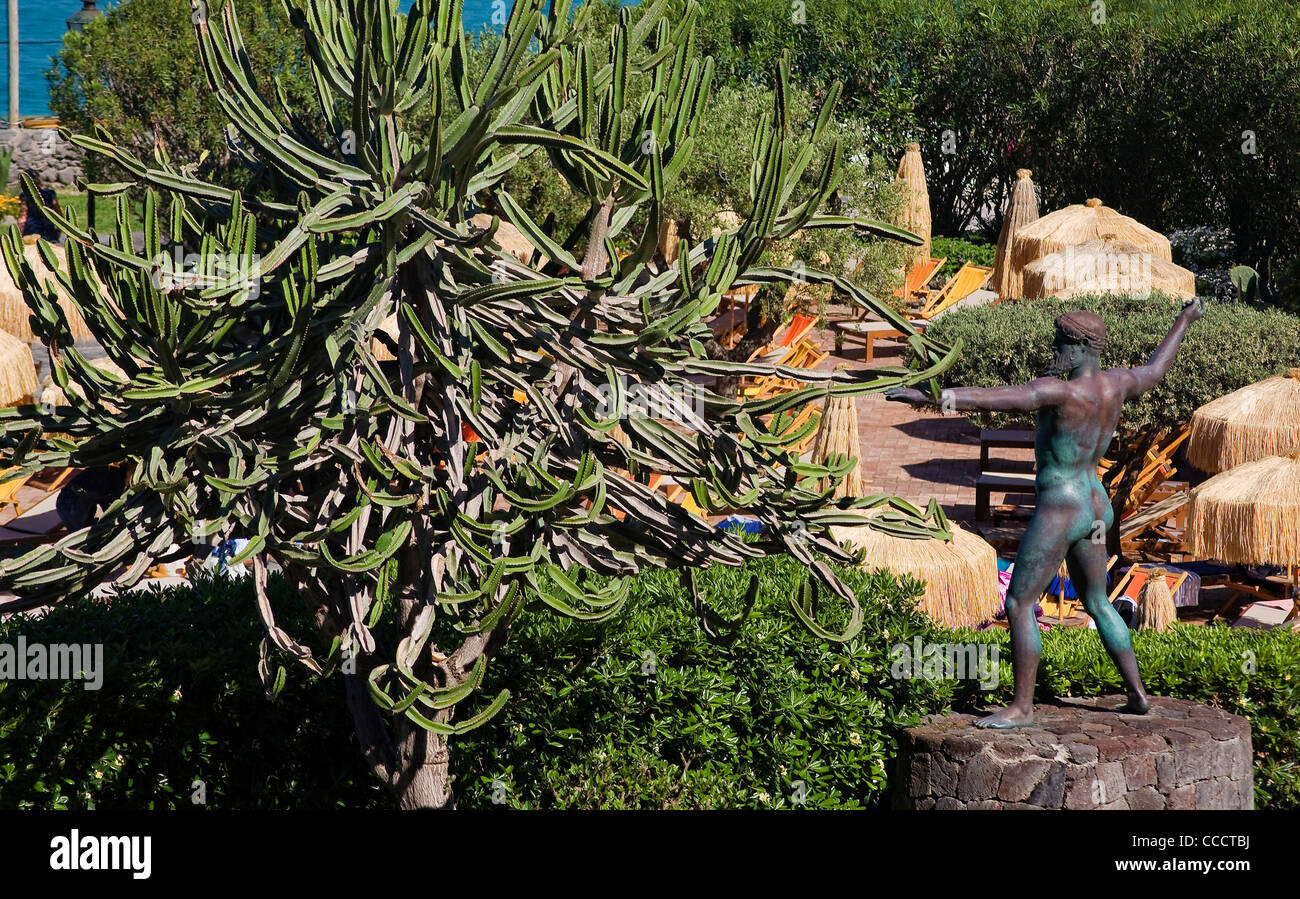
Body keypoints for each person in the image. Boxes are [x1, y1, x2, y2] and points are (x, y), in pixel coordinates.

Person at [887, 299, 1205, 728]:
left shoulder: (1060, 391)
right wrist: (1183, 320)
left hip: (1061, 509)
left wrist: (933, 397)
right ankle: (1138, 695)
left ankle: (1021, 708)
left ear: (1078, 349)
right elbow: (1156, 369)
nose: (1054, 350)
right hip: (1096, 509)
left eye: (1060, 343)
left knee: (1019, 602)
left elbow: (996, 399)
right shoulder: (1118, 385)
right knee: (1095, 600)